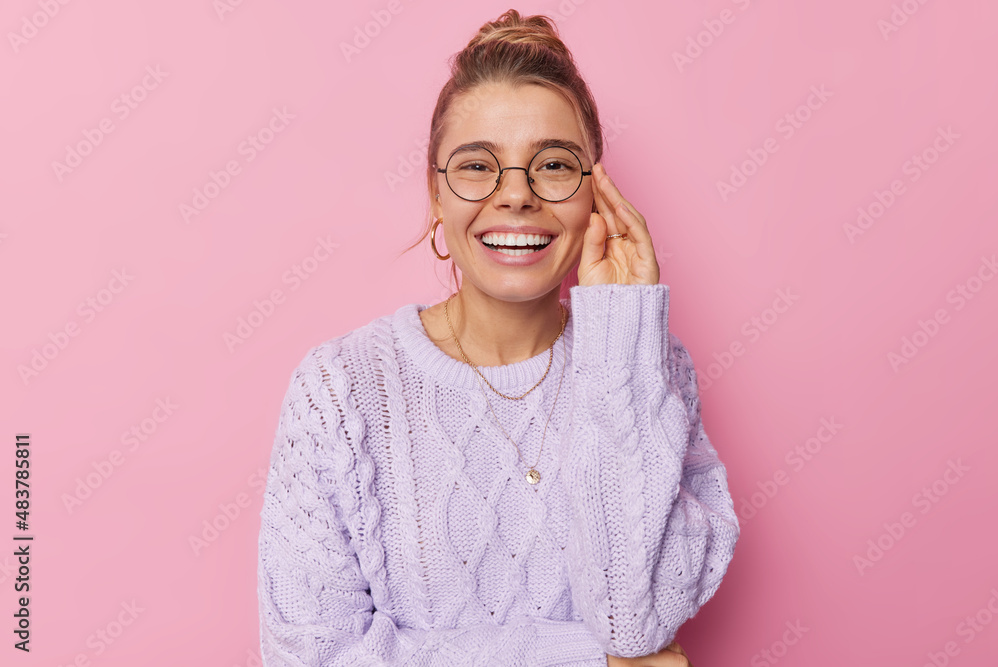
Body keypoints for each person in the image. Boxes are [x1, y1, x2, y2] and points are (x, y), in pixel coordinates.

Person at [256, 9, 739, 666]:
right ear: (436, 194)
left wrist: (622, 330)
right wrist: (584, 659)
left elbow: (632, 622)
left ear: (597, 193)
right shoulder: (338, 388)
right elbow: (312, 657)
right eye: (479, 165)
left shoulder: (647, 365)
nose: (516, 195)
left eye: (554, 164)